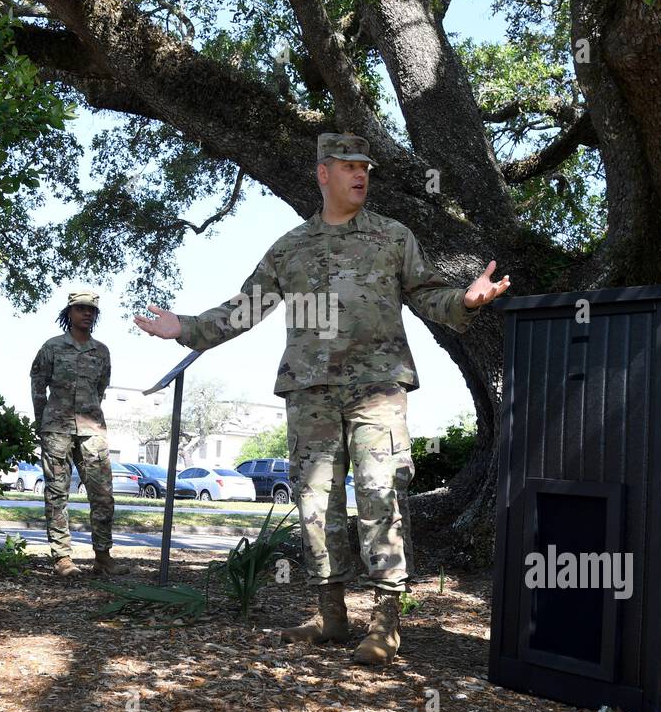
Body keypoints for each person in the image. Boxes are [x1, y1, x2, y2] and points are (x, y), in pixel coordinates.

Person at [134, 133, 509, 664]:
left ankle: (385, 623)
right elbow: (248, 306)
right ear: (323, 173)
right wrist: (187, 327)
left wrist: (466, 301)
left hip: (378, 387)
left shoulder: (392, 236)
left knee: (382, 491)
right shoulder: (290, 247)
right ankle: (331, 614)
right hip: (309, 391)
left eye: (365, 168)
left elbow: (428, 295)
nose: (360, 175)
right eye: (348, 166)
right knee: (316, 501)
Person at [31, 291, 131, 578]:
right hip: (56, 429)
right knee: (57, 494)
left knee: (103, 495)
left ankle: (103, 558)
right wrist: (43, 421)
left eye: (92, 310)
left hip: (91, 431)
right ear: (69, 313)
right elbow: (38, 386)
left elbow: (101, 388)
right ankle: (62, 558)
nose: (87, 313)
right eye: (81, 309)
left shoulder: (101, 352)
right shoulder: (52, 347)